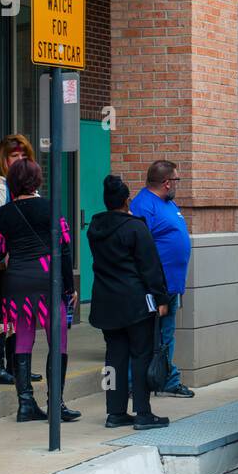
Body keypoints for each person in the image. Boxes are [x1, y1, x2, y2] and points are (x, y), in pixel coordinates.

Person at [0, 159, 79, 423]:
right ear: (38, 180)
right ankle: (56, 404)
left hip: (17, 282)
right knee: (57, 341)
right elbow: (64, 248)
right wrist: (70, 287)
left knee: (23, 341)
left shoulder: (4, 213)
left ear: (12, 182)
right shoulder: (51, 207)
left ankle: (25, 404)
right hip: (48, 281)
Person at [87, 175, 172, 430]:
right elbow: (151, 267)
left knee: (114, 358)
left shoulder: (95, 228)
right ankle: (143, 413)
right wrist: (161, 298)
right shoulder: (136, 227)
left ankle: (115, 412)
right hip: (135, 302)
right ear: (127, 200)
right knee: (141, 355)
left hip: (106, 302)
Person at [129, 160, 194, 398]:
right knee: (146, 335)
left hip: (171, 284)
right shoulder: (143, 206)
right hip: (154, 286)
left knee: (166, 334)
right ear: (167, 183)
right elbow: (138, 249)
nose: (178, 184)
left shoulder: (168, 203)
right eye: (177, 180)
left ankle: (165, 378)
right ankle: (137, 381)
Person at [0, 134, 38, 385]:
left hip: (23, 258)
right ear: (3, 159)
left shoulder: (25, 188)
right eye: (15, 155)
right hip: (3, 258)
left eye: (24, 156)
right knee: (1, 309)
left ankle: (16, 366)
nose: (20, 160)